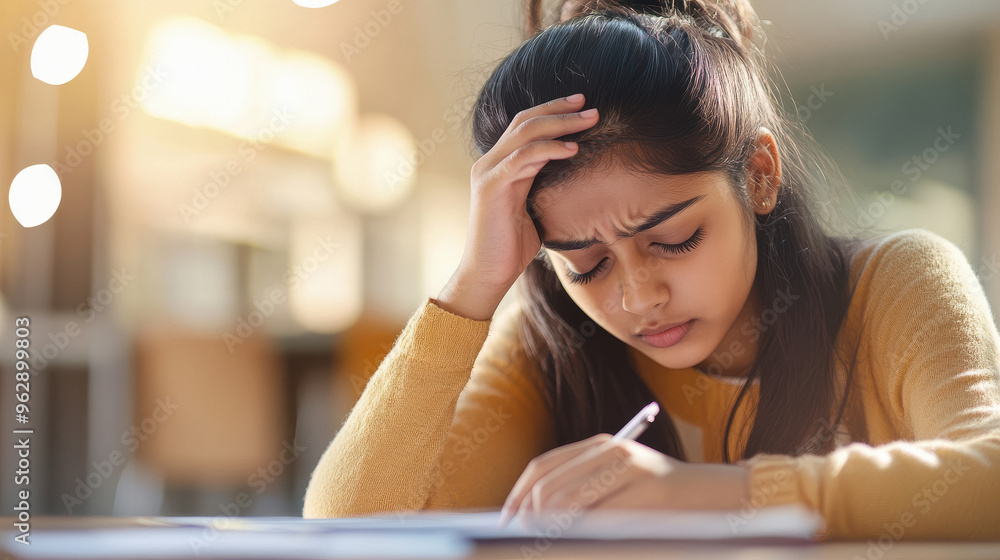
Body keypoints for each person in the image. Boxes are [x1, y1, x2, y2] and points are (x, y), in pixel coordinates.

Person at [302, 0, 1000, 540]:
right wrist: (471, 288)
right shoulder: (548, 345)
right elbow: (348, 529)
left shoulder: (893, 284)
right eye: (587, 265)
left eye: (675, 240)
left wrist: (711, 496)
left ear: (760, 176)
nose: (638, 298)